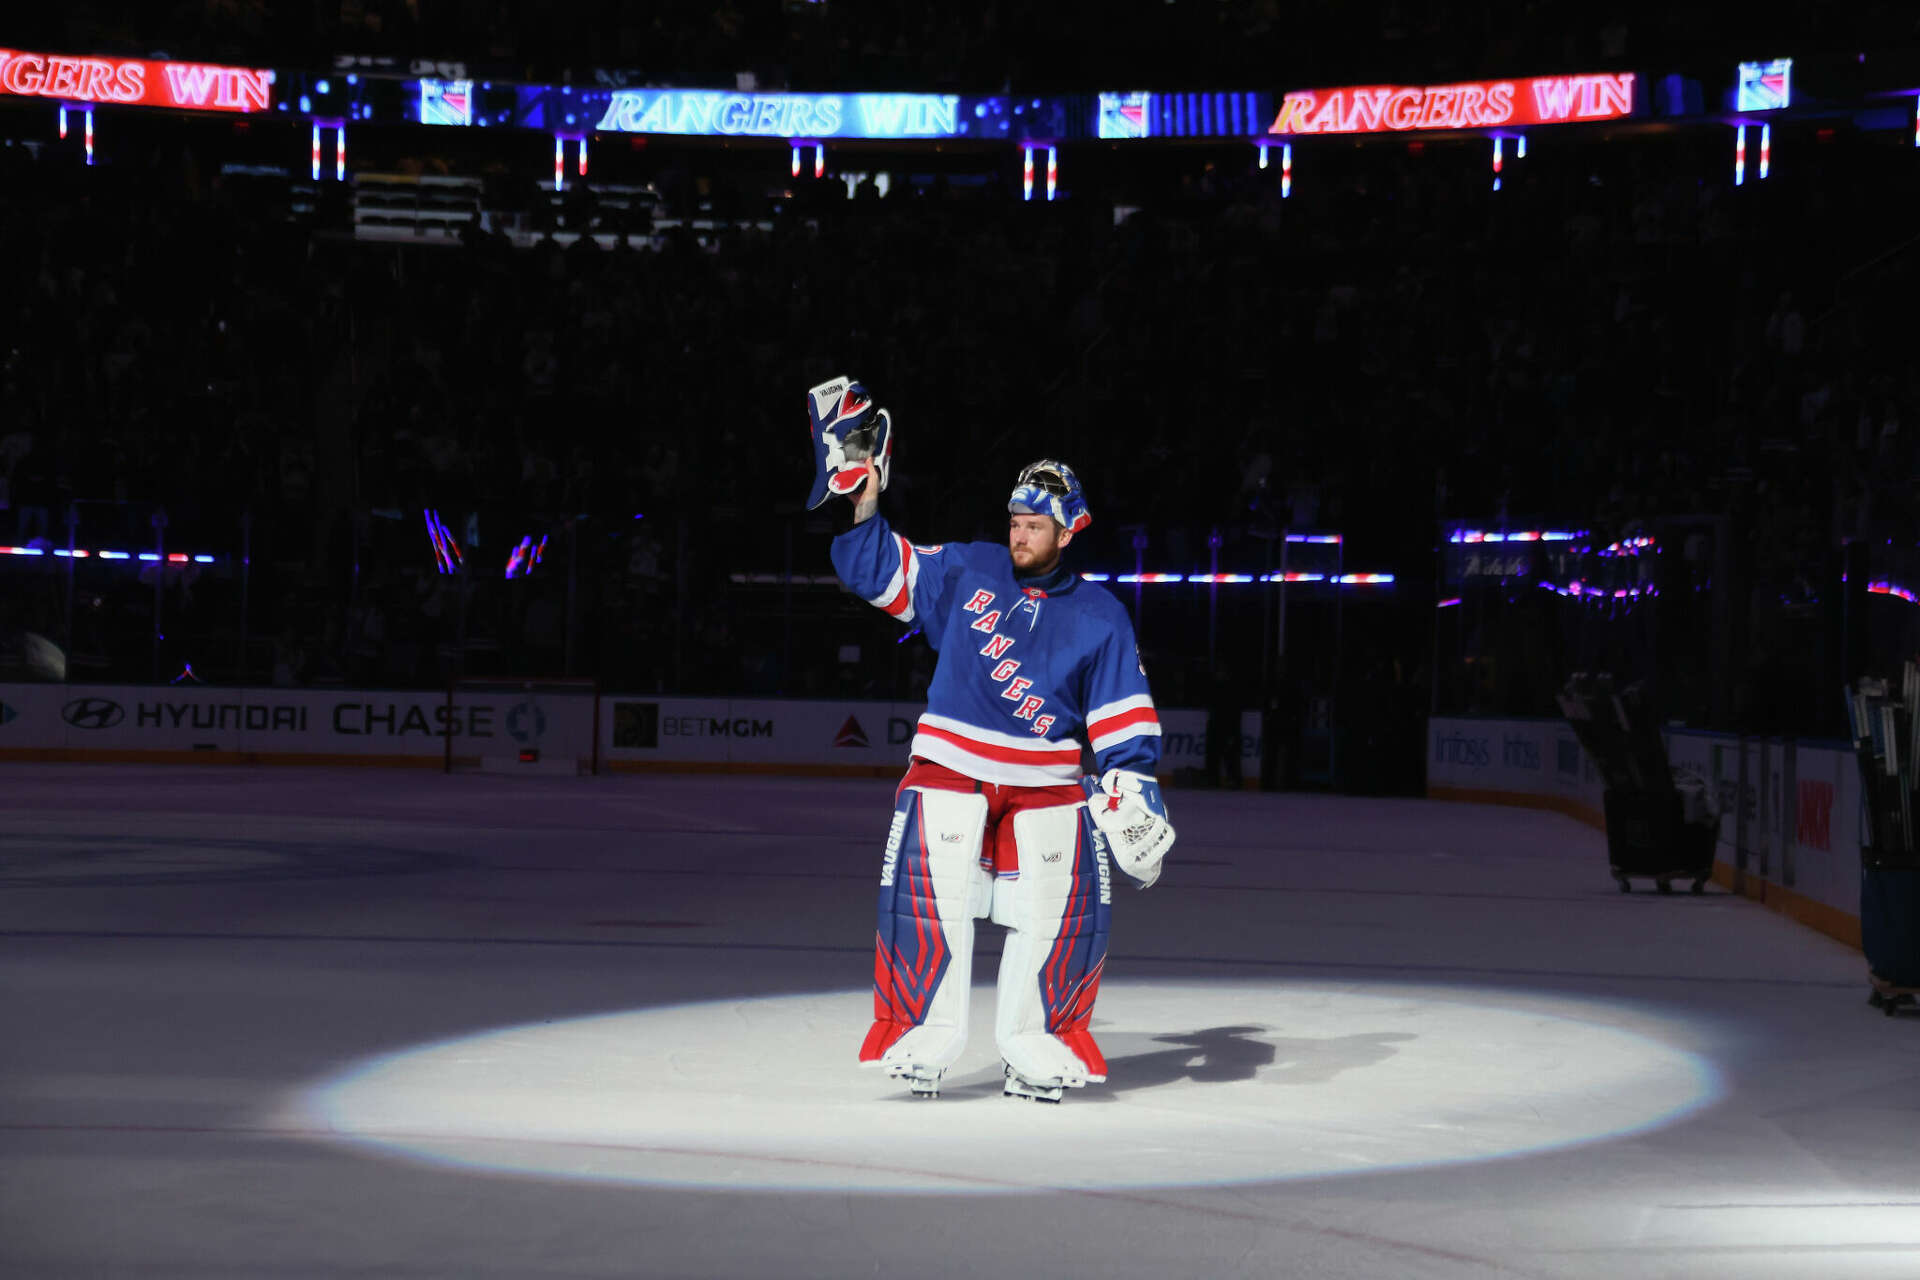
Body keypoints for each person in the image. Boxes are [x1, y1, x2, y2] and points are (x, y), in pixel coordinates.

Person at [808, 376, 1176, 1102]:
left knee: (1056, 909)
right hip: (950, 763)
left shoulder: (1101, 616)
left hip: (1047, 781)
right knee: (929, 895)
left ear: (1069, 531)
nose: (1019, 534)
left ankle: (1037, 1039)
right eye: (1015, 520)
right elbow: (876, 570)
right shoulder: (967, 567)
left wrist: (1135, 794)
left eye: (1035, 525)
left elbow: (1123, 724)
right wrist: (865, 502)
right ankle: (921, 1030)